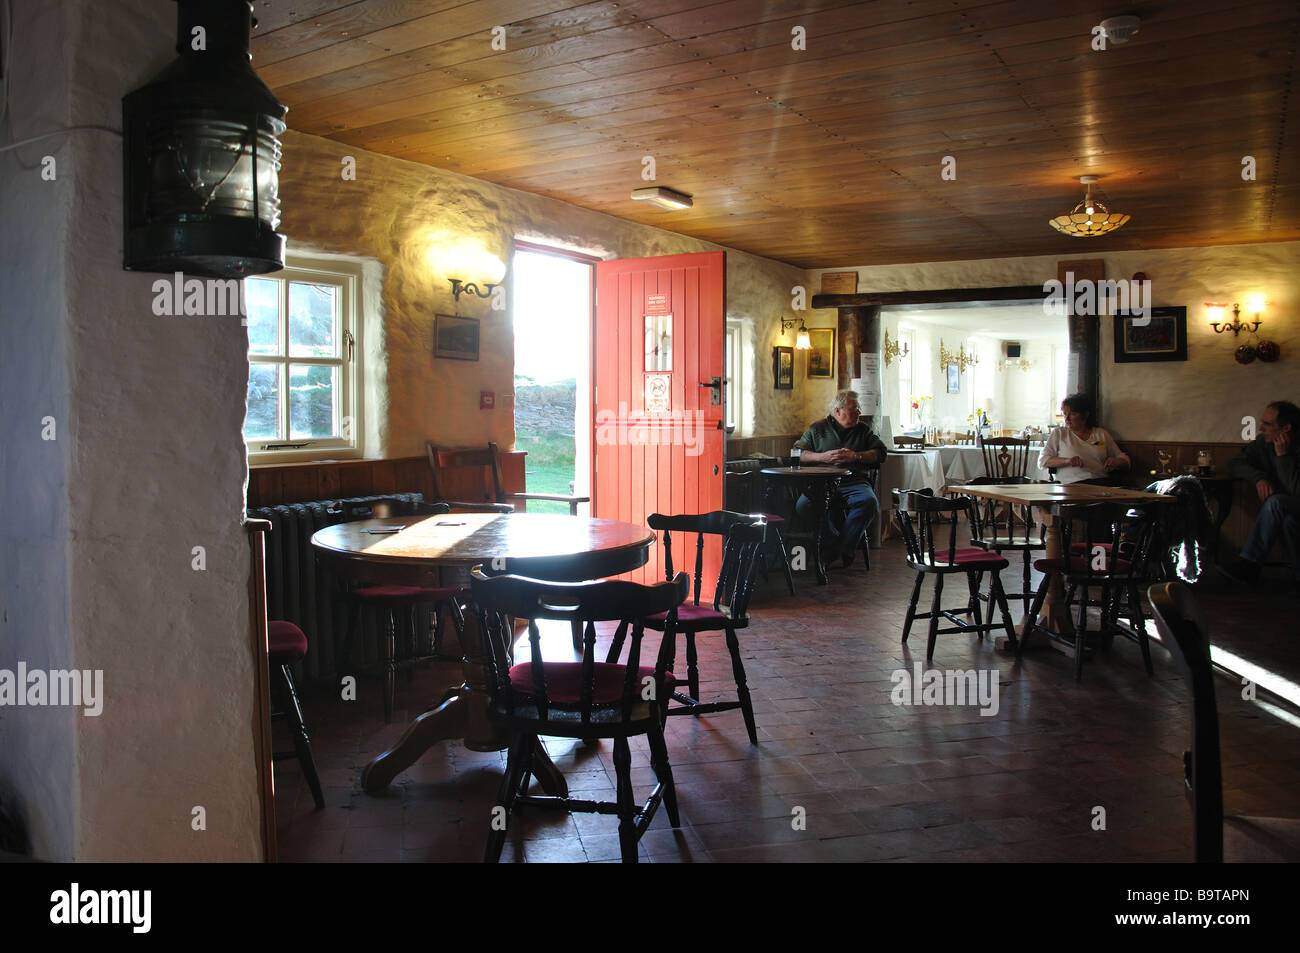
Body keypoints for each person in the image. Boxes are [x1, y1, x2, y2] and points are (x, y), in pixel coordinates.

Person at [793, 390, 887, 567]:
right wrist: (822, 457)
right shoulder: (817, 428)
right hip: (822, 482)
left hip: (855, 481)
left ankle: (840, 547)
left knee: (869, 502)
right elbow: (797, 453)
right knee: (804, 506)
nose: (859, 412)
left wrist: (856, 457)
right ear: (838, 411)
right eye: (854, 409)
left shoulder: (863, 430)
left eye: (858, 408)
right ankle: (839, 544)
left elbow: (881, 453)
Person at [1223, 400, 1300, 585]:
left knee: (1275, 502)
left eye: (1267, 424)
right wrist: (1258, 478)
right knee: (1289, 522)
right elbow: (1235, 464)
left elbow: (1296, 492)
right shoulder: (1264, 444)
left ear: (1286, 428)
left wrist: (1283, 457)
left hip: (1293, 501)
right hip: (1291, 510)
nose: (1261, 428)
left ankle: (1250, 563)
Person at [1038, 393, 1130, 485]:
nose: (1067, 418)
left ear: (1085, 415)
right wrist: (1068, 461)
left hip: (1100, 482)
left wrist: (1116, 462)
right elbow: (1043, 461)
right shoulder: (1060, 433)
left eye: (1073, 414)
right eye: (1065, 414)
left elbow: (1124, 459)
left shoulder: (1101, 434)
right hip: (1071, 484)